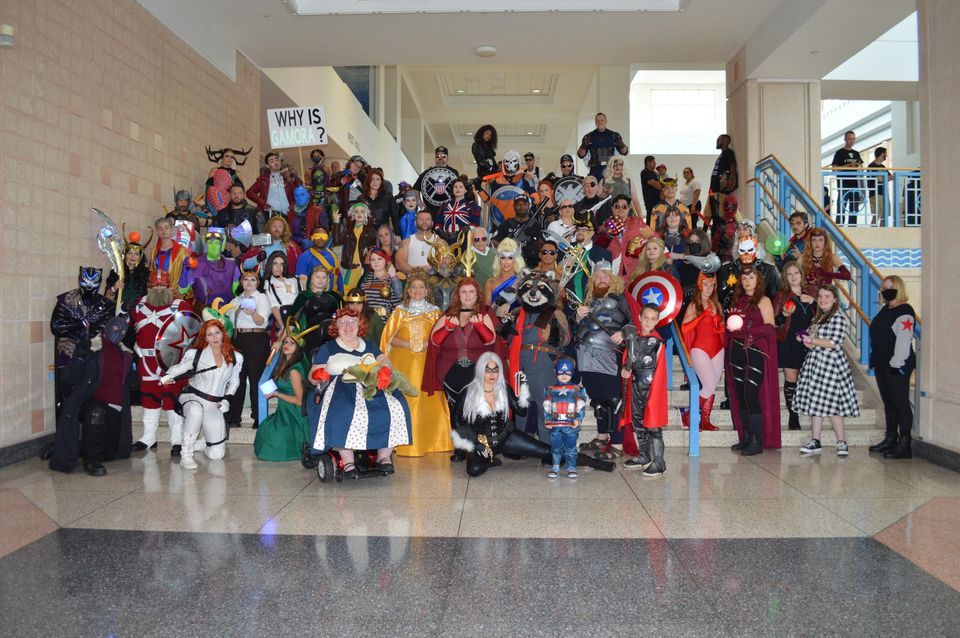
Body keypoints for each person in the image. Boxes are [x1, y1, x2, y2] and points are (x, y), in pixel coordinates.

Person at [308, 309, 411, 478]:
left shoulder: (368, 345)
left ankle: (384, 457)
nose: (348, 326)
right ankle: (347, 461)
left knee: (397, 407)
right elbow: (313, 375)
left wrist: (385, 368)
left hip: (370, 385)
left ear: (359, 325)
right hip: (340, 388)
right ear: (337, 327)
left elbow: (384, 359)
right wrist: (318, 375)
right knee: (344, 412)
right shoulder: (329, 348)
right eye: (343, 322)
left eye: (352, 322)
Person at [423, 277, 500, 462]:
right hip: (451, 370)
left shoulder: (485, 312)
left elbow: (491, 340)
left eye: (471, 292)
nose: (467, 296)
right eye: (463, 292)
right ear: (458, 294)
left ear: (477, 294)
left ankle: (480, 447)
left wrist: (480, 326)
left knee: (477, 411)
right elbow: (434, 341)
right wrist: (447, 329)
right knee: (455, 412)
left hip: (477, 371)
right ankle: (460, 448)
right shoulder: (449, 314)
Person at [48, 267, 114, 472]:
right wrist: (81, 326)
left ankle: (91, 455)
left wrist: (88, 331)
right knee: (65, 407)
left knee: (95, 409)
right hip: (68, 360)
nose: (89, 286)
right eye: (85, 281)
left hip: (94, 363)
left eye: (94, 282)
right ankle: (63, 448)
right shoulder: (67, 300)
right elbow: (57, 326)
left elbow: (108, 329)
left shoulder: (105, 304)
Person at [380, 270, 452, 457]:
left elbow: (441, 336)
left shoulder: (434, 312)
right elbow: (389, 338)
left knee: (428, 398)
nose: (417, 290)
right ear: (408, 290)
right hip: (404, 360)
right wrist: (408, 344)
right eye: (413, 287)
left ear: (427, 290)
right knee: (407, 397)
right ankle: (403, 442)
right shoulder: (400, 311)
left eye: (421, 287)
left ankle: (432, 440)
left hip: (427, 361)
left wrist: (428, 344)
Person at [575, 263, 637, 461]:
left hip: (609, 357)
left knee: (612, 400)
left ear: (614, 279)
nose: (601, 280)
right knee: (598, 400)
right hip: (585, 356)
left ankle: (617, 444)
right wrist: (577, 317)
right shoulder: (589, 301)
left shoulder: (622, 299)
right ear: (591, 281)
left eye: (606, 276)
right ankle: (602, 438)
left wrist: (623, 332)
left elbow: (636, 322)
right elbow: (578, 329)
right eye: (597, 277)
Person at [161, 319, 242, 470]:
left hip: (214, 405)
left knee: (216, 454)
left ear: (223, 334)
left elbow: (235, 382)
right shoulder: (195, 354)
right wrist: (166, 376)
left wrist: (227, 400)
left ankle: (202, 441)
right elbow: (179, 368)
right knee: (195, 411)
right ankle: (186, 454)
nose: (215, 337)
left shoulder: (235, 357)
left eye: (217, 333)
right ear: (205, 337)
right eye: (210, 334)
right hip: (193, 397)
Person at [451, 353, 547, 477]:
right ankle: (489, 460)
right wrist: (474, 443)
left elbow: (522, 412)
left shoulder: (504, 389)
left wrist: (523, 391)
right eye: (488, 370)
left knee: (548, 452)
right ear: (480, 371)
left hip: (506, 438)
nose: (492, 374)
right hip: (481, 444)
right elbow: (456, 421)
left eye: (495, 370)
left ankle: (574, 458)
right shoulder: (469, 392)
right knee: (473, 470)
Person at [794, 285, 860, 456]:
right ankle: (815, 441)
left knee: (833, 406)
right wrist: (805, 339)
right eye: (821, 296)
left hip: (831, 367)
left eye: (827, 297)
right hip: (816, 365)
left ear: (835, 300)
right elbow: (812, 339)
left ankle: (842, 441)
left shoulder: (837, 318)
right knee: (816, 404)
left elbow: (833, 342)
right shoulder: (818, 318)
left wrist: (812, 340)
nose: (823, 300)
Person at [130, 269, 189, 454]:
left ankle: (177, 441)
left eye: (162, 284)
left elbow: (191, 334)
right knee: (149, 401)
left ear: (169, 286)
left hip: (171, 363)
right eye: (155, 285)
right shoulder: (138, 305)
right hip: (146, 362)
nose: (158, 288)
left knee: (172, 403)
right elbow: (125, 330)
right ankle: (148, 438)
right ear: (149, 285)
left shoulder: (181, 306)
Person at [726, 267, 781, 455]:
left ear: (758, 280)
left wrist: (747, 332)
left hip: (755, 351)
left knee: (751, 395)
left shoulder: (764, 300)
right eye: (744, 277)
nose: (748, 281)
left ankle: (757, 441)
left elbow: (770, 328)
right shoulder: (737, 301)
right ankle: (747, 437)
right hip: (736, 351)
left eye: (751, 277)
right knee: (741, 396)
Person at [868, 275, 917, 459]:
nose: (886, 290)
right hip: (882, 363)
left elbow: (903, 341)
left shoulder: (904, 310)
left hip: (898, 364)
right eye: (883, 287)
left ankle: (905, 444)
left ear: (899, 288)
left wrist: (896, 363)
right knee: (889, 402)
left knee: (900, 401)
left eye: (890, 287)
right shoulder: (885, 309)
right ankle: (890, 438)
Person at [621, 304, 669, 477]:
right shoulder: (633, 338)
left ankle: (659, 462)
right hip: (635, 386)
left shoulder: (658, 342)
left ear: (657, 321)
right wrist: (625, 369)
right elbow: (628, 359)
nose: (649, 321)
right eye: (646, 317)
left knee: (653, 425)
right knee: (638, 422)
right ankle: (644, 455)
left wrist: (654, 392)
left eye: (653, 319)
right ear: (640, 318)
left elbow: (660, 369)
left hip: (650, 388)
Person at [772, 261, 817, 431]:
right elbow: (775, 322)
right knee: (792, 380)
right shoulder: (781, 295)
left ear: (801, 274)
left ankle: (811, 410)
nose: (793, 277)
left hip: (811, 342)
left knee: (808, 380)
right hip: (789, 341)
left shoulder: (812, 291)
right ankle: (793, 415)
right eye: (789, 274)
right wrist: (784, 314)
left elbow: (825, 315)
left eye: (796, 273)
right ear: (785, 277)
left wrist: (813, 302)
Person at [254, 332, 311, 462]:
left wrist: (277, 394)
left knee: (271, 438)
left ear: (298, 347)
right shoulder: (286, 365)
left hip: (293, 414)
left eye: (292, 343)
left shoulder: (294, 371)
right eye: (285, 342)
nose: (287, 345)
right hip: (284, 411)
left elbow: (299, 401)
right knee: (265, 429)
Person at [226, 270, 271, 429]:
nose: (249, 282)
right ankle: (233, 416)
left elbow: (261, 321)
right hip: (238, 339)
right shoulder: (235, 300)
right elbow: (229, 323)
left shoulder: (262, 298)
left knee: (256, 379)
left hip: (256, 339)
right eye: (246, 279)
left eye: (253, 279)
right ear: (241, 282)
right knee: (237, 378)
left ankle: (259, 416)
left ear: (258, 282)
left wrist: (252, 313)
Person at [680, 273, 725, 432]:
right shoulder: (695, 305)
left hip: (718, 349)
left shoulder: (717, 305)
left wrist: (721, 328)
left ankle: (705, 420)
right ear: (700, 285)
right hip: (700, 348)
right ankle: (688, 416)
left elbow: (721, 327)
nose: (709, 287)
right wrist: (701, 317)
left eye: (712, 284)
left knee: (712, 386)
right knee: (708, 386)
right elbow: (684, 328)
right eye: (705, 284)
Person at [178, 227, 241, 315]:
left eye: (216, 243)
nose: (213, 246)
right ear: (205, 245)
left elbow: (236, 292)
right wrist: (185, 272)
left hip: (226, 312)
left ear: (222, 245)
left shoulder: (232, 265)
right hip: (203, 312)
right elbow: (182, 290)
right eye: (210, 243)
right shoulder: (195, 264)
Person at [543, 358, 587, 479]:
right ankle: (555, 466)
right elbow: (547, 407)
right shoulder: (550, 390)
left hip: (570, 425)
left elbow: (581, 407)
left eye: (567, 373)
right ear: (555, 371)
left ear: (572, 373)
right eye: (561, 372)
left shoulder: (577, 390)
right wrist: (547, 419)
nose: (564, 376)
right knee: (556, 447)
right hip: (556, 425)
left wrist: (578, 419)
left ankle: (571, 467)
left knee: (571, 447)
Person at [289, 265, 342, 355]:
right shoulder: (304, 296)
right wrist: (286, 337)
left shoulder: (334, 296)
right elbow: (293, 320)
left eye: (324, 277)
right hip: (310, 335)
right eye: (318, 277)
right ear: (312, 279)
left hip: (332, 335)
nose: (321, 280)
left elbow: (342, 315)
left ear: (327, 280)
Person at [105, 231, 151, 312]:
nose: (133, 256)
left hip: (139, 313)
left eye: (136, 254)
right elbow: (107, 298)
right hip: (119, 312)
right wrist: (114, 288)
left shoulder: (146, 274)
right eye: (130, 253)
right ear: (125, 255)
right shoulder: (116, 272)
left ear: (140, 257)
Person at [492, 194, 541, 265]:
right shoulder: (506, 224)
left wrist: (536, 238)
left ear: (528, 205)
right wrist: (507, 249)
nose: (521, 207)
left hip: (531, 263)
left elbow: (542, 245)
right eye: (518, 204)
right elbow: (494, 241)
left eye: (524, 204)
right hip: (512, 263)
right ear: (514, 206)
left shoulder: (535, 224)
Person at [577, 112, 628, 181]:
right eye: (597, 121)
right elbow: (580, 155)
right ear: (595, 122)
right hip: (595, 172)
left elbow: (624, 152)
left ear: (606, 121)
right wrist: (583, 145)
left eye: (602, 120)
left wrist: (621, 144)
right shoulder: (589, 136)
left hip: (610, 172)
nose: (599, 122)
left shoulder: (614, 135)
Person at [339, 202, 378, 292]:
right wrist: (336, 223)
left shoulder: (371, 231)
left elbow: (373, 247)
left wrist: (368, 251)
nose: (359, 214)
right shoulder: (348, 231)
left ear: (366, 215)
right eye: (356, 211)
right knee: (347, 288)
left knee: (361, 288)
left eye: (362, 211)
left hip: (363, 265)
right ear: (352, 215)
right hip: (349, 265)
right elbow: (337, 241)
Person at [246, 152, 296, 221]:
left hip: (287, 215)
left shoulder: (287, 179)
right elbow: (249, 192)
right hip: (270, 215)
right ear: (267, 166)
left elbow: (297, 194)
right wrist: (262, 203)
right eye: (272, 161)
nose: (275, 162)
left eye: (276, 160)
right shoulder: (263, 180)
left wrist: (293, 205)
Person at [484, 238, 525, 321]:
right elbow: (486, 311)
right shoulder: (490, 282)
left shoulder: (521, 282)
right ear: (498, 260)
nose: (506, 262)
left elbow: (527, 308)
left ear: (515, 260)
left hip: (515, 327)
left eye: (510, 258)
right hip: (494, 325)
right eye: (503, 258)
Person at [709, 134, 738, 248]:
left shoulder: (728, 152)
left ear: (725, 141)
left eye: (719, 139)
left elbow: (733, 165)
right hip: (714, 191)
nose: (717, 141)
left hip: (721, 192)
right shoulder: (722, 155)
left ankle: (720, 244)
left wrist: (731, 179)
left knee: (720, 216)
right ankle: (715, 243)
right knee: (715, 216)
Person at [396, 209, 447, 275]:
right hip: (413, 282)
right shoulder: (406, 242)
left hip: (434, 282)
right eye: (421, 219)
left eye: (427, 219)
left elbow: (447, 264)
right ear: (415, 223)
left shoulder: (440, 242)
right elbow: (399, 264)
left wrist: (439, 266)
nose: (424, 222)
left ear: (432, 223)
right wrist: (420, 270)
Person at [358, 248, 403, 322]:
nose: (376, 262)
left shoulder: (393, 278)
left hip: (387, 323)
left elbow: (400, 297)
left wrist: (393, 276)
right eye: (373, 259)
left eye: (379, 259)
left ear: (385, 260)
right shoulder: (366, 278)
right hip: (367, 321)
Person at [413, 146, 460, 214]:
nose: (440, 158)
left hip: (449, 209)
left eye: (443, 156)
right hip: (431, 210)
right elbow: (416, 189)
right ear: (435, 157)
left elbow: (459, 189)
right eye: (438, 156)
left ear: (447, 157)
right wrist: (419, 201)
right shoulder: (426, 173)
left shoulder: (454, 173)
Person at [831, 130, 864, 225]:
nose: (852, 141)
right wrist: (848, 165)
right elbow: (834, 169)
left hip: (855, 185)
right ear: (845, 139)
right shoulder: (839, 153)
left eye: (854, 139)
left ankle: (852, 228)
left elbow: (862, 167)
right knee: (841, 207)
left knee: (854, 208)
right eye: (850, 139)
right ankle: (839, 228)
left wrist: (858, 166)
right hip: (843, 184)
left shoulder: (856, 153)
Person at [150, 217, 191, 293]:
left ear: (171, 230)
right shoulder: (154, 251)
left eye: (166, 228)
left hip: (174, 292)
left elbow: (187, 272)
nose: (163, 230)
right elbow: (152, 272)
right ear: (157, 232)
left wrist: (180, 289)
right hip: (157, 293)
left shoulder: (181, 251)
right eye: (160, 228)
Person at [295, 227, 341, 293]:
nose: (321, 239)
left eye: (324, 236)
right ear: (312, 238)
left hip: (333, 296)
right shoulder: (304, 257)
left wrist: (341, 291)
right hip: (313, 296)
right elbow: (300, 282)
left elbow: (338, 274)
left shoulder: (333, 255)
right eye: (317, 236)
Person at [264, 252, 301, 330]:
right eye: (275, 263)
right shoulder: (268, 283)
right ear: (270, 265)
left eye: (281, 264)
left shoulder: (294, 279)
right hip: (283, 315)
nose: (278, 267)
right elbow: (274, 306)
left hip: (299, 313)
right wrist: (282, 326)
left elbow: (302, 296)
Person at [437, 177, 481, 242]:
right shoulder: (445, 205)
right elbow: (438, 223)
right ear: (452, 189)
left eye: (461, 187)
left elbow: (475, 223)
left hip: (465, 240)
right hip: (446, 240)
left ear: (465, 190)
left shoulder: (471, 205)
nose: (458, 189)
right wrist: (441, 233)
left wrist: (462, 232)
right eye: (455, 187)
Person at [867, 147, 892, 225]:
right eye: (885, 153)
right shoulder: (871, 166)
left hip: (884, 193)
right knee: (876, 215)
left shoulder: (882, 166)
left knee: (885, 215)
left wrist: (882, 178)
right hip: (875, 193)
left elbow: (891, 177)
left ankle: (882, 233)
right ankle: (873, 233)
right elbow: (878, 179)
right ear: (882, 154)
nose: (886, 155)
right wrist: (884, 178)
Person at [639, 156, 663, 225]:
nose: (655, 163)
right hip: (650, 202)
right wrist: (664, 186)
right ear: (648, 162)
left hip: (657, 201)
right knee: (651, 220)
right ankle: (649, 235)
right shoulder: (645, 172)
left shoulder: (654, 173)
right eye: (653, 162)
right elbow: (656, 185)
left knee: (658, 221)